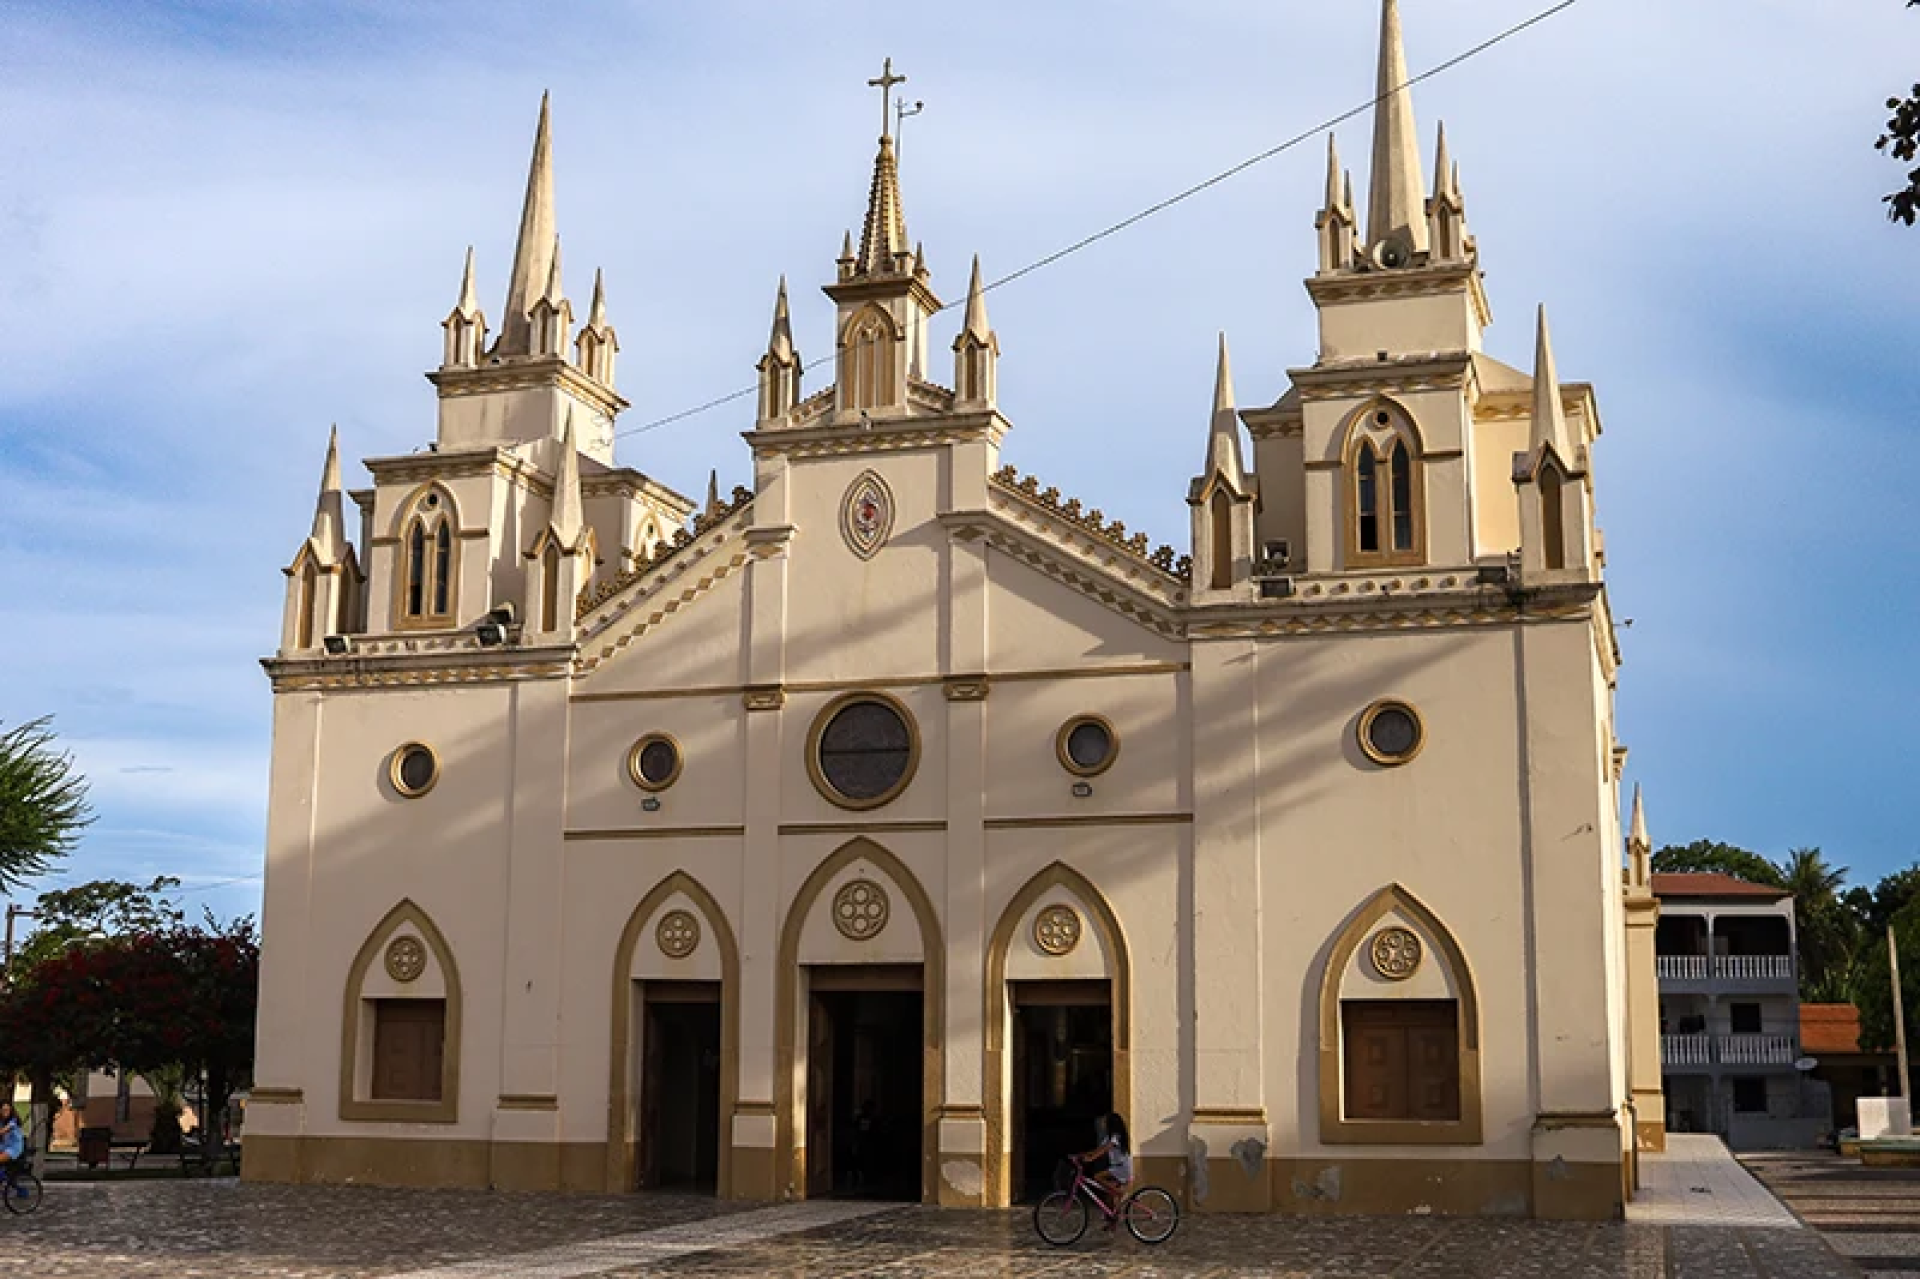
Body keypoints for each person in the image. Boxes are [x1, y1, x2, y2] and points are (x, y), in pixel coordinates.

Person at [1073, 1111, 1133, 1215]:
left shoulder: (1116, 1136)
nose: (1104, 1124)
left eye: (1105, 1122)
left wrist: (1091, 1159)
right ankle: (1113, 1220)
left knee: (1097, 1177)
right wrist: (1081, 1155)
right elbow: (1098, 1149)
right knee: (1109, 1196)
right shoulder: (1109, 1137)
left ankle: (1122, 1194)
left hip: (1122, 1168)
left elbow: (1105, 1149)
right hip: (1116, 1167)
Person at [0, 1102, 23, 1171]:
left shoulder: (13, 1121)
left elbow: (2, 1131)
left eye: (7, 1110)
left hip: (13, 1148)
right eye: (3, 1110)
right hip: (3, 1146)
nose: (5, 1112)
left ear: (11, 1110)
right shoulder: (1, 1121)